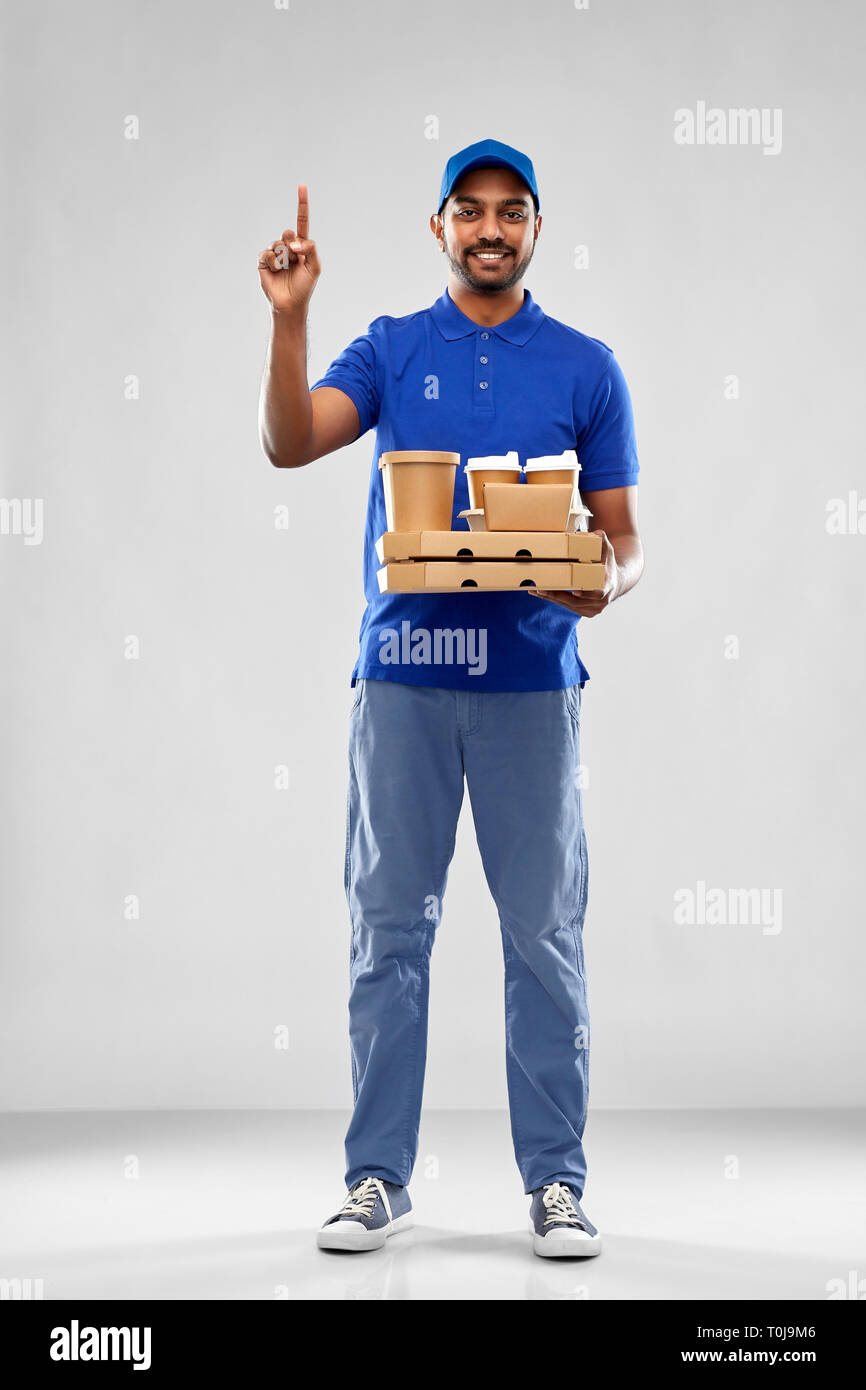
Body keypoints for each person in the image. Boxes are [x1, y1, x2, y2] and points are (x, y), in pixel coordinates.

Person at [257, 138, 643, 1259]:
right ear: (437, 228)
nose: (487, 228)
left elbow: (623, 546)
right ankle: (376, 1178)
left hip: (530, 689)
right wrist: (289, 317)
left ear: (533, 229)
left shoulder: (585, 366)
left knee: (543, 937)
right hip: (403, 688)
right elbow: (288, 444)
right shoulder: (389, 349)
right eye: (466, 211)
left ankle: (556, 1184)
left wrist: (594, 581)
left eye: (508, 211)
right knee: (388, 933)